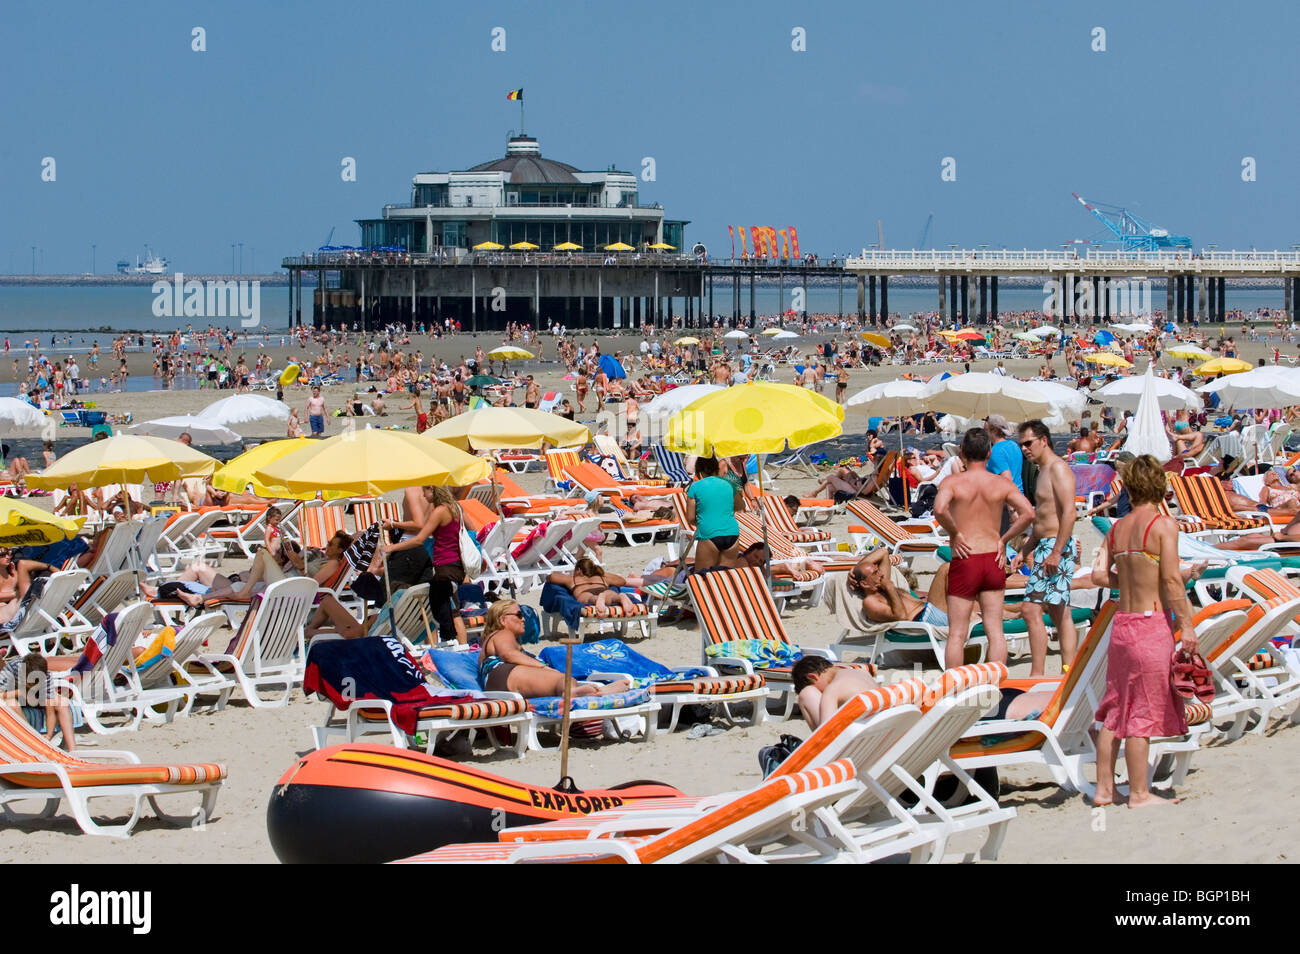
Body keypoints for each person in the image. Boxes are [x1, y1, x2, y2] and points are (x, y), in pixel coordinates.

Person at [1090, 455, 1199, 808]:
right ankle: (1139, 792)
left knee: (1115, 707)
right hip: (1151, 624)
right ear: (1160, 485)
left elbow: (1099, 576)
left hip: (1123, 624)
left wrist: (1132, 579)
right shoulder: (1164, 526)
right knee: (1141, 711)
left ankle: (1105, 790)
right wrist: (1187, 625)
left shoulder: (1118, 528)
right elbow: (1169, 579)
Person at [933, 428, 1035, 669]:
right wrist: (1004, 539)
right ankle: (996, 685)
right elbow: (1029, 513)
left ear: (962, 452)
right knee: (995, 629)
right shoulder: (1000, 483)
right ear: (989, 453)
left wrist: (955, 533)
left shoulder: (953, 482)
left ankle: (954, 690)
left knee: (957, 634)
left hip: (966, 556)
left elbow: (939, 509)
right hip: (993, 557)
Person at [1012, 420, 1079, 676]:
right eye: (1021, 445)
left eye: (1028, 443)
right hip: (1046, 545)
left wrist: (1056, 551)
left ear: (1044, 440)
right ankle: (1068, 670)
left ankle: (1037, 673)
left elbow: (1069, 513)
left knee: (1031, 609)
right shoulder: (1043, 471)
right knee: (1060, 612)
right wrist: (1025, 550)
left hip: (1055, 546)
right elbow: (1042, 520)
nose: (1025, 449)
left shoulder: (1058, 469)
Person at [477, 599, 627, 697]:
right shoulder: (503, 633)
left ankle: (594, 692)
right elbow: (509, 655)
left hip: (500, 681)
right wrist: (543, 667)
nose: (523, 619)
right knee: (559, 680)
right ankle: (577, 692)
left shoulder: (494, 637)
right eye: (518, 614)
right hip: (504, 675)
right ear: (503, 620)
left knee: (564, 680)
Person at [377, 486, 464, 644]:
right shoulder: (454, 508)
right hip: (455, 565)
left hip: (444, 566)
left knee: (439, 608)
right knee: (446, 607)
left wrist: (391, 547)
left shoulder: (440, 511)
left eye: (425, 491)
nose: (423, 495)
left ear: (432, 489)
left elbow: (419, 539)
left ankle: (450, 642)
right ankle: (452, 641)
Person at [0, 653, 75, 751]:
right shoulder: (13, 668)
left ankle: (73, 750)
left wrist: (48, 735)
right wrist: (21, 693)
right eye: (30, 684)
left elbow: (50, 711)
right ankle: (31, 740)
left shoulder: (45, 674)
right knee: (12, 704)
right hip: (16, 695)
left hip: (37, 698)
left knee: (61, 703)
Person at [791, 656, 881, 730]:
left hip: (854, 742)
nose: (820, 694)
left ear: (813, 677)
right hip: (879, 735)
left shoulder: (832, 691)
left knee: (806, 694)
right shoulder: (862, 672)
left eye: (818, 691)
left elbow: (826, 733)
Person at [686, 456, 742, 572]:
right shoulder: (729, 484)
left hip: (709, 534)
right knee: (724, 578)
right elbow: (741, 506)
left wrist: (702, 522)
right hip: (732, 533)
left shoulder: (695, 486)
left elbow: (691, 518)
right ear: (716, 468)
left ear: (699, 471)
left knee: (703, 579)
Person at [548, 557, 644, 616]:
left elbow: (551, 577)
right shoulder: (603, 577)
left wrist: (569, 578)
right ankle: (619, 597)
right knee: (611, 595)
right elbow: (622, 581)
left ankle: (597, 599)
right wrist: (602, 574)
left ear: (579, 570)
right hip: (602, 588)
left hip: (583, 592)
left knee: (589, 597)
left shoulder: (572, 579)